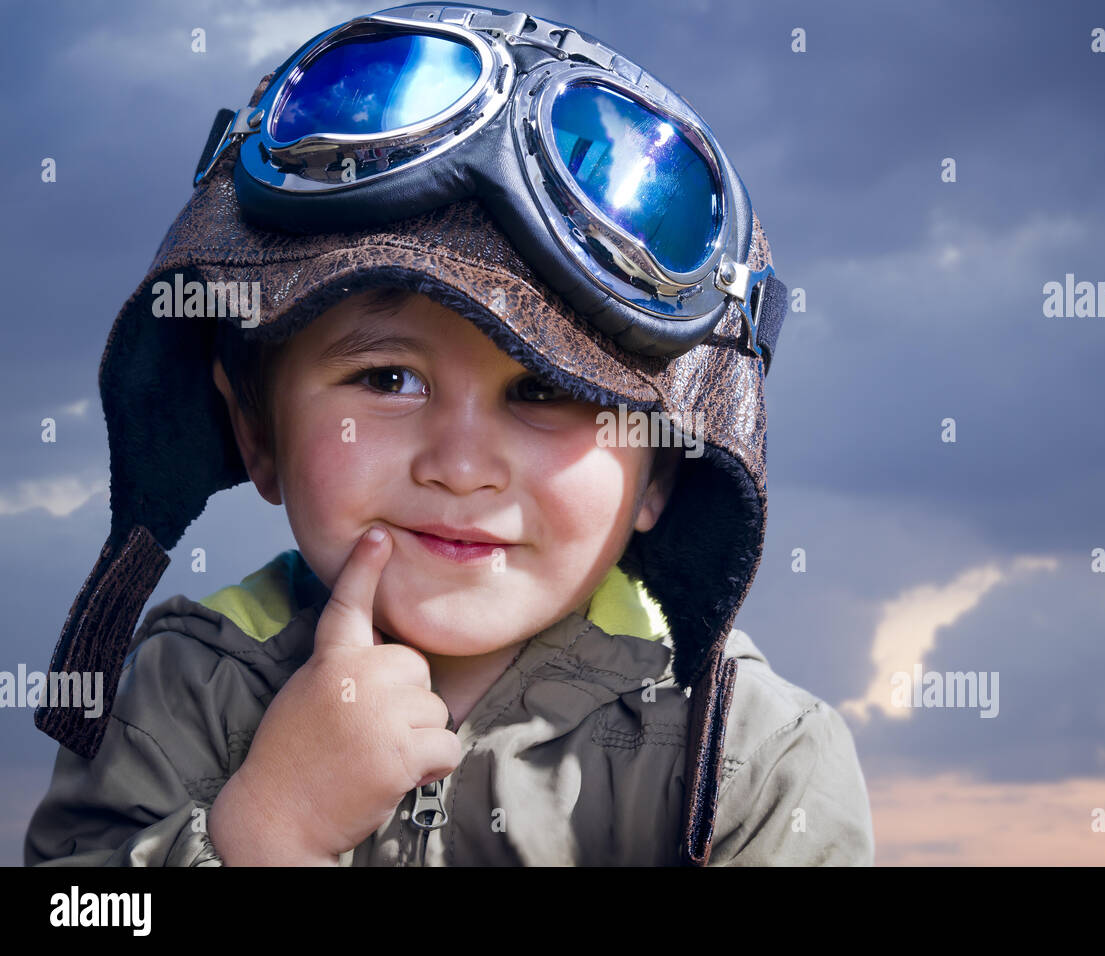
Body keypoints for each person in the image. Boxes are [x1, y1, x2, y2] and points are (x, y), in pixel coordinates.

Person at [24, 3, 874, 866]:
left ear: (661, 471)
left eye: (545, 389)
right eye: (388, 380)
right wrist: (268, 830)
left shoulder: (748, 765)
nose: (461, 467)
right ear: (255, 430)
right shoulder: (180, 692)